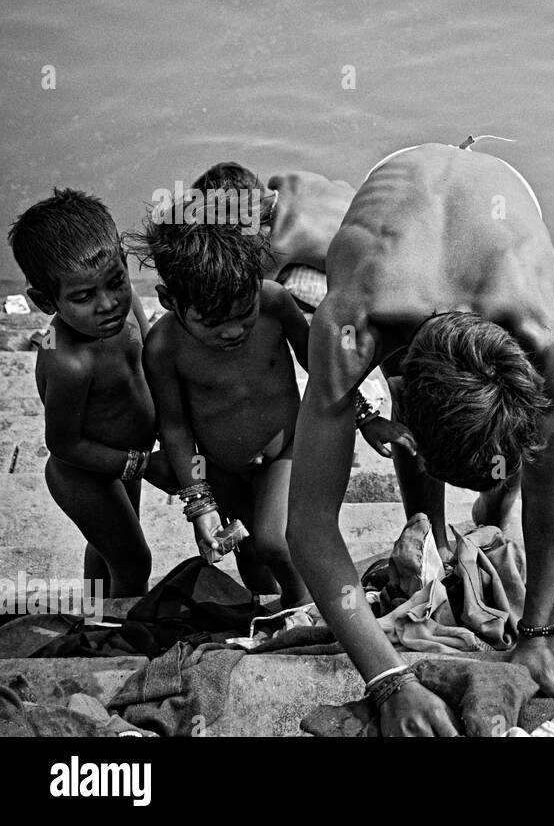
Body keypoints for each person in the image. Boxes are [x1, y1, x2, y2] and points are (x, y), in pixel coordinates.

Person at [286, 141, 554, 736]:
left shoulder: (544, 338)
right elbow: (307, 527)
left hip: (505, 195)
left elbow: (548, 486)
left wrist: (540, 633)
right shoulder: (353, 326)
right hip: (398, 194)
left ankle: (489, 502)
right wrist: (389, 681)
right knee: (428, 436)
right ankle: (428, 531)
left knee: (515, 451)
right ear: (403, 432)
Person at [132, 199, 312, 606]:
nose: (233, 332)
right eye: (212, 323)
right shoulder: (163, 348)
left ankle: (304, 613)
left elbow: (319, 366)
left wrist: (364, 414)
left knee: (274, 541)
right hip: (222, 470)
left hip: (285, 448)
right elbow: (175, 427)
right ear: (168, 300)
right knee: (249, 553)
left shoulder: (276, 302)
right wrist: (199, 501)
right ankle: (267, 608)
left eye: (243, 313)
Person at [8, 189, 170, 596]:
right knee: (134, 561)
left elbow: (152, 360)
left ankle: (97, 620)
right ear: (45, 302)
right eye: (83, 297)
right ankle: (126, 645)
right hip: (85, 475)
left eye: (116, 282)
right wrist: (143, 465)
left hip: (126, 456)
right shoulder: (68, 361)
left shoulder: (127, 304)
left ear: (125, 264)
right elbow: (63, 443)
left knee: (107, 546)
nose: (108, 304)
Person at [191, 162, 356, 308]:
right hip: (368, 215)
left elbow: (254, 294)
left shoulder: (280, 243)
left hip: (367, 272)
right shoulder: (287, 178)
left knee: (275, 286)